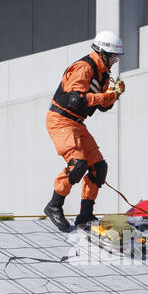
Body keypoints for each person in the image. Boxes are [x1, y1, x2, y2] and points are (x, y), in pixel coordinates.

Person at [43, 31, 126, 232]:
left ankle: (85, 215)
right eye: (113, 57)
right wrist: (104, 96)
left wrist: (114, 96)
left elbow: (102, 107)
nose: (115, 61)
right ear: (102, 52)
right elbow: (75, 99)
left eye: (117, 58)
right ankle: (54, 205)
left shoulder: (104, 74)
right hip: (60, 120)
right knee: (77, 164)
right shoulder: (84, 68)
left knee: (99, 167)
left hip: (77, 123)